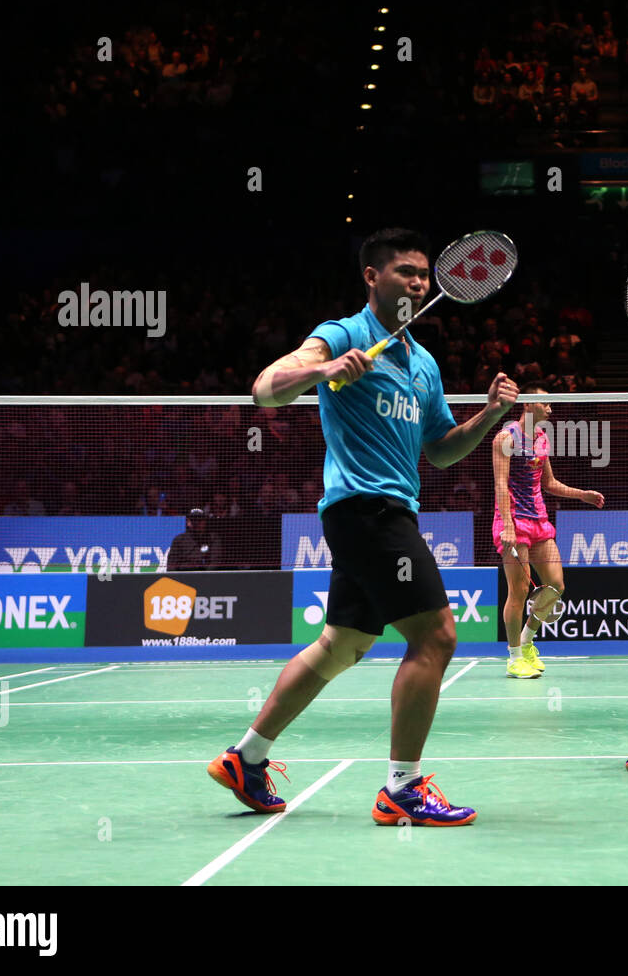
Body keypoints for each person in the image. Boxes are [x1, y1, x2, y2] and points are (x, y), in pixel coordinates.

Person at [208, 228, 519, 827]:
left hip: (385, 512)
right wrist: (324, 370)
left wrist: (491, 413)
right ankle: (401, 789)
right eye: (406, 271)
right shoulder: (344, 334)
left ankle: (246, 759)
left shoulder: (423, 365)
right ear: (372, 278)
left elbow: (443, 451)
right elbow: (264, 391)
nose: (420, 283)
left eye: (425, 275)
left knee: (342, 644)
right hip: (365, 510)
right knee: (437, 637)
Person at [492, 383, 604, 678]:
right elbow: (500, 484)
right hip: (514, 521)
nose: (550, 409)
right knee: (518, 591)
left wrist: (582, 494)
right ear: (527, 405)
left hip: (540, 521)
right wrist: (507, 526)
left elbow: (549, 483)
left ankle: (527, 641)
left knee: (556, 586)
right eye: (545, 404)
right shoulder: (506, 438)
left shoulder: (541, 438)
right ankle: (515, 656)